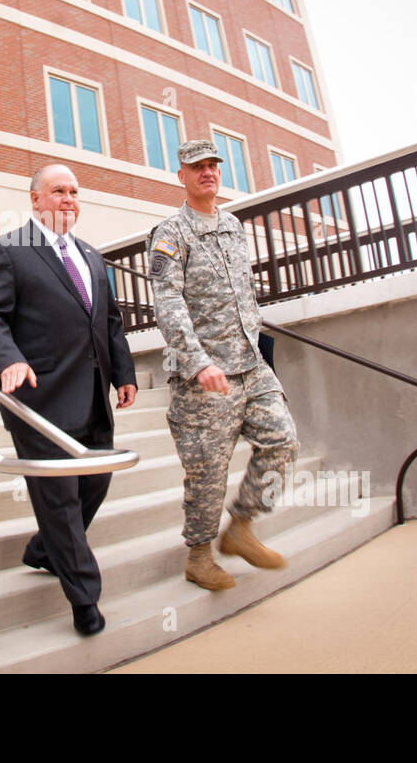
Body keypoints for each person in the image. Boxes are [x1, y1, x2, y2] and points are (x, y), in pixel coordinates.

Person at [0, 164, 137, 636]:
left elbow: (110, 323)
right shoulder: (7, 249)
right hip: (37, 401)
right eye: (58, 191)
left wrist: (122, 374)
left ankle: (44, 549)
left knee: (96, 481)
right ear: (35, 200)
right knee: (60, 500)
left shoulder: (92, 256)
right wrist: (8, 360)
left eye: (74, 192)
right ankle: (85, 599)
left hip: (93, 397)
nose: (68, 199)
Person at [148, 139, 300, 591]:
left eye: (214, 165)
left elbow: (243, 295)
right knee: (207, 472)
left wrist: (253, 343)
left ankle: (242, 526)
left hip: (250, 366)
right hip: (204, 378)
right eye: (197, 167)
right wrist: (196, 362)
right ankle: (198, 555)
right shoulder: (171, 232)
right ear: (182, 176)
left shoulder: (234, 226)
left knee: (283, 441)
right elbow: (168, 300)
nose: (208, 172)